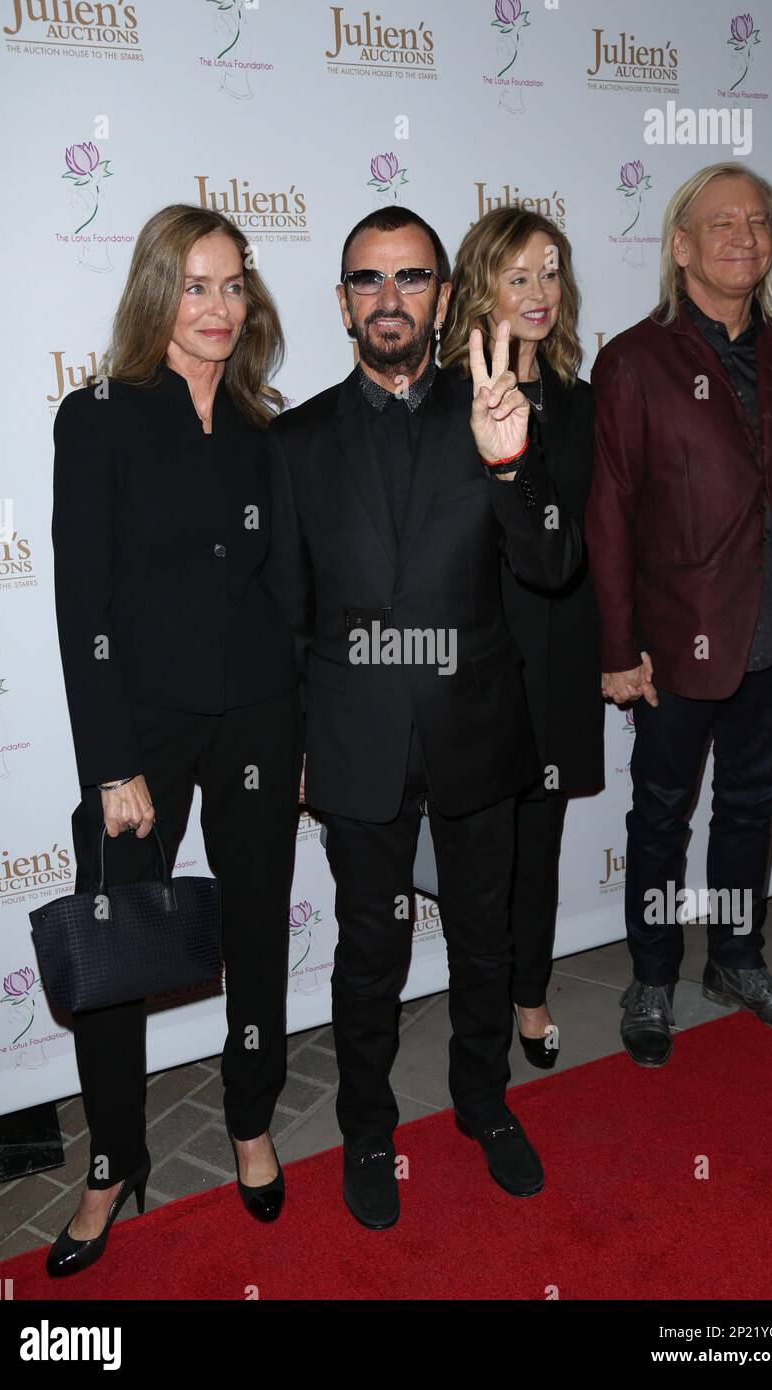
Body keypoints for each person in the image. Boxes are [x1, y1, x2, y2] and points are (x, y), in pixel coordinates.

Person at [266, 206, 580, 1229]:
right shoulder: (299, 437)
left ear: (445, 297)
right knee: (371, 948)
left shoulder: (493, 406)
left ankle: (482, 1102)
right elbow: (288, 618)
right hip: (356, 741)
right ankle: (365, 1124)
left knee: (483, 938)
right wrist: (299, 744)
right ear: (344, 300)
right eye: (368, 280)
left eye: (411, 278)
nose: (388, 299)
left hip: (477, 727)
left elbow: (550, 563)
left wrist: (507, 461)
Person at [48, 204, 301, 1275]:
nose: (218, 307)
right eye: (196, 285)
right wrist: (111, 762)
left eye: (234, 285)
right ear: (157, 292)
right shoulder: (100, 416)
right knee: (115, 954)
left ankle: (250, 1122)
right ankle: (111, 1160)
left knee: (253, 928)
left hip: (254, 716)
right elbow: (80, 599)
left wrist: (294, 741)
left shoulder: (262, 425)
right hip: (139, 728)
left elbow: (284, 593)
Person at [586, 163, 772, 1067]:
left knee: (748, 811)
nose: (747, 238)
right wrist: (619, 647)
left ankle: (735, 958)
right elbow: (607, 514)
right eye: (723, 223)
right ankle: (653, 973)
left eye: (761, 222)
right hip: (674, 638)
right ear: (681, 245)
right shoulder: (633, 360)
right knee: (660, 816)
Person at [442, 207, 603, 1070]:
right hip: (476, 654)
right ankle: (478, 1010)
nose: (540, 292)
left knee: (538, 845)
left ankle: (530, 997)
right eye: (517, 276)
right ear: (481, 291)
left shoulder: (581, 400)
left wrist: (626, 645)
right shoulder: (442, 402)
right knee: (480, 852)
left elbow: (604, 531)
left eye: (551, 271)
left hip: (561, 646)